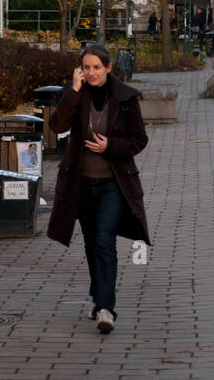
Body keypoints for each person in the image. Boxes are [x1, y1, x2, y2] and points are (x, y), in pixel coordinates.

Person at [46, 42, 150, 335]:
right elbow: (56, 126)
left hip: (113, 184)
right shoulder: (76, 93)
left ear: (108, 68)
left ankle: (106, 307)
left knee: (105, 240)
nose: (91, 73)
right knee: (92, 242)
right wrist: (74, 91)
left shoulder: (126, 98)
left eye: (96, 67)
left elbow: (139, 140)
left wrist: (110, 146)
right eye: (86, 67)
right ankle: (97, 295)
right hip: (80, 184)